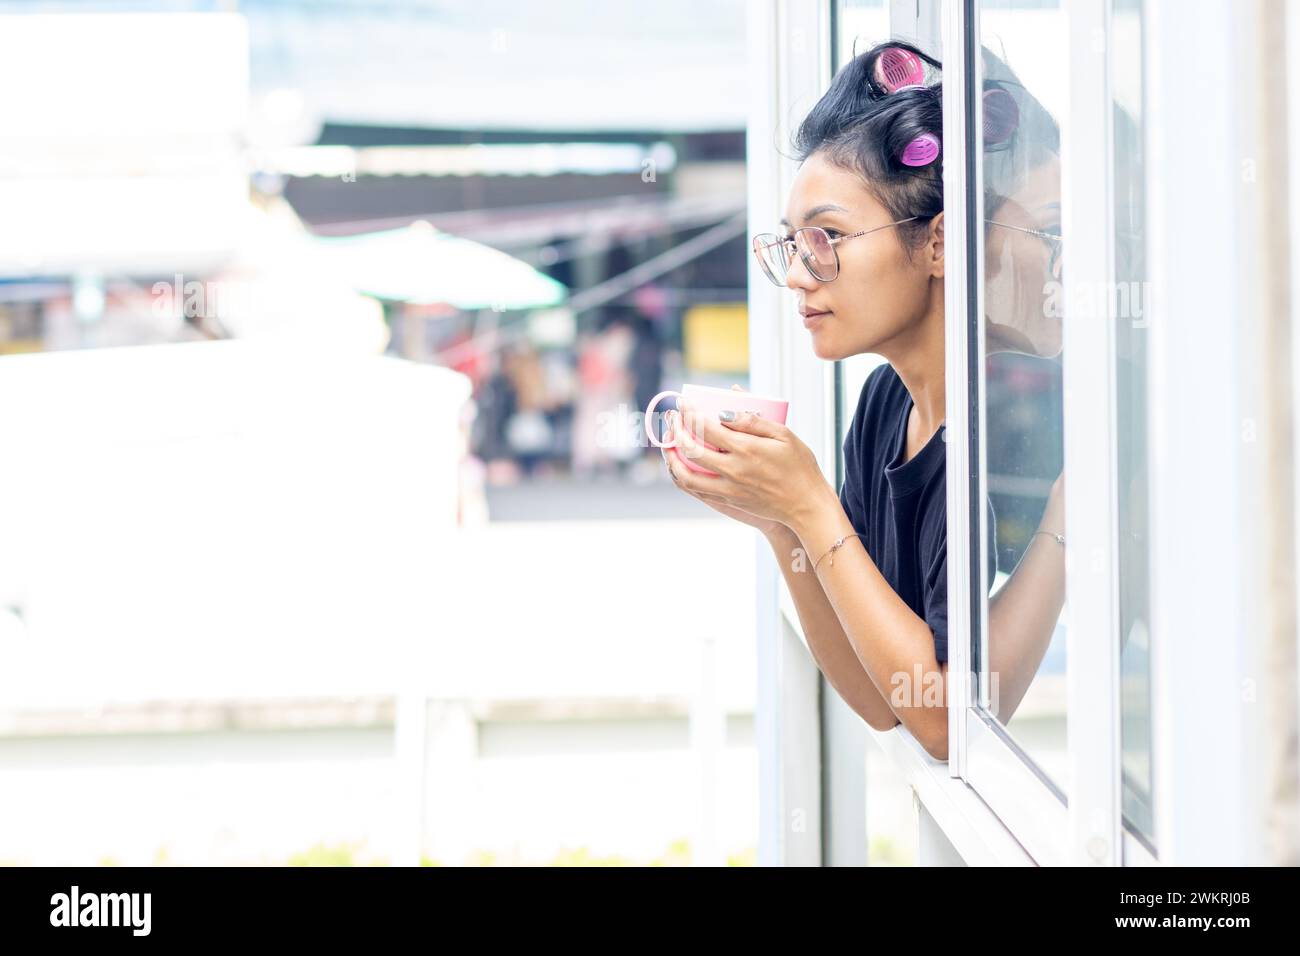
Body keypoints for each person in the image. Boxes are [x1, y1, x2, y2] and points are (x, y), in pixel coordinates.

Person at [662, 39, 1066, 761]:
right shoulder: (886, 404)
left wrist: (811, 505)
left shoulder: (1014, 409)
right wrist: (781, 522)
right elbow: (887, 700)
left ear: (939, 245)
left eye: (828, 237)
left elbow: (948, 720)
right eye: (791, 244)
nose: (798, 275)